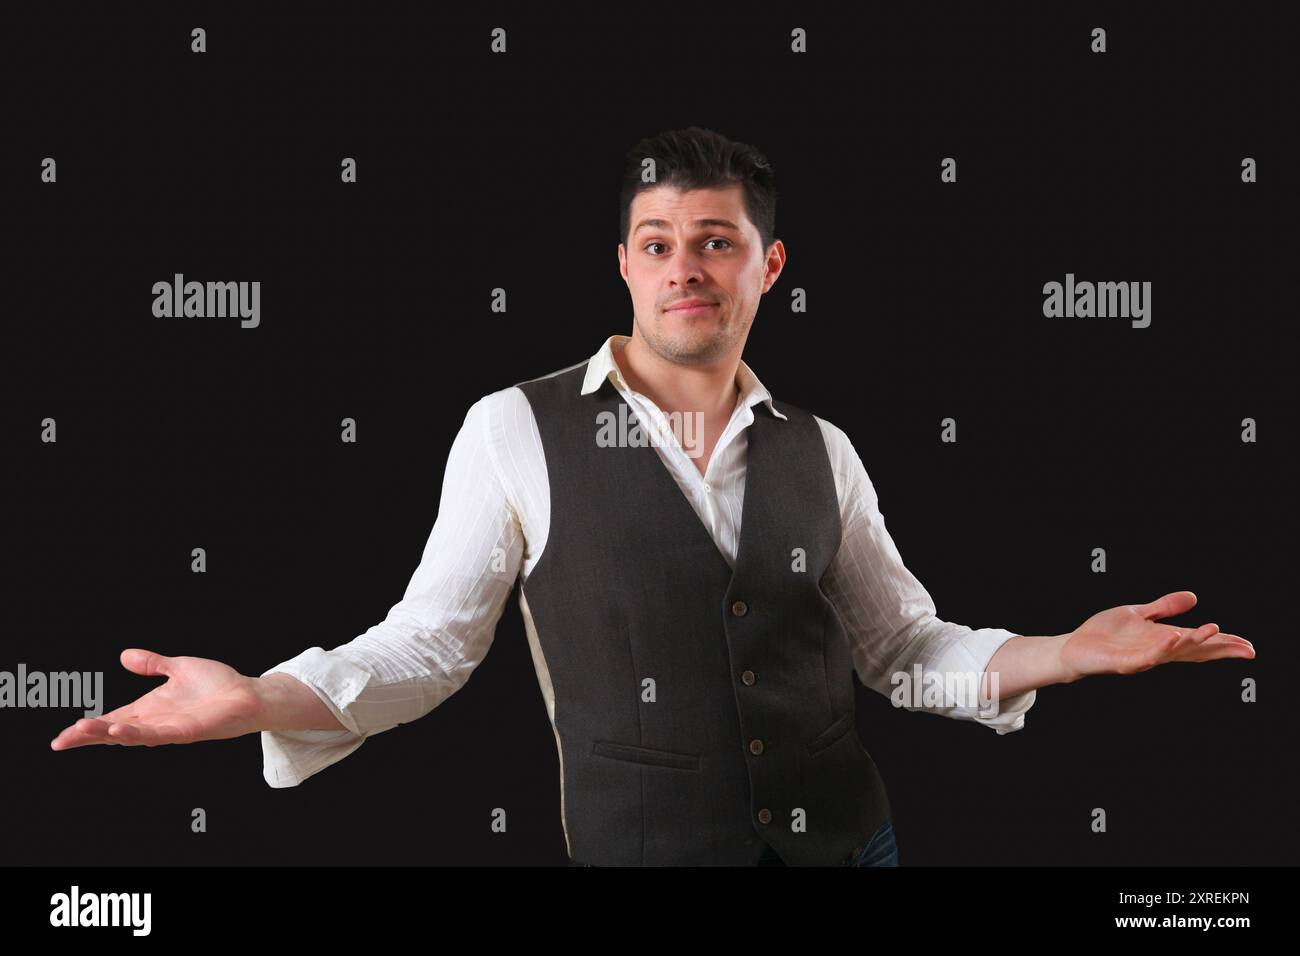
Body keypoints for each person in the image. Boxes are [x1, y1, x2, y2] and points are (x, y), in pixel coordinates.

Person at [48, 127, 1254, 866]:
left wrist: (1066, 654)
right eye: (659, 240)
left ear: (767, 265)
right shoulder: (512, 428)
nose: (688, 265)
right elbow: (429, 642)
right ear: (625, 263)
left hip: (853, 843)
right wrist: (262, 697)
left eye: (718, 240)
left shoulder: (820, 448)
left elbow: (900, 649)